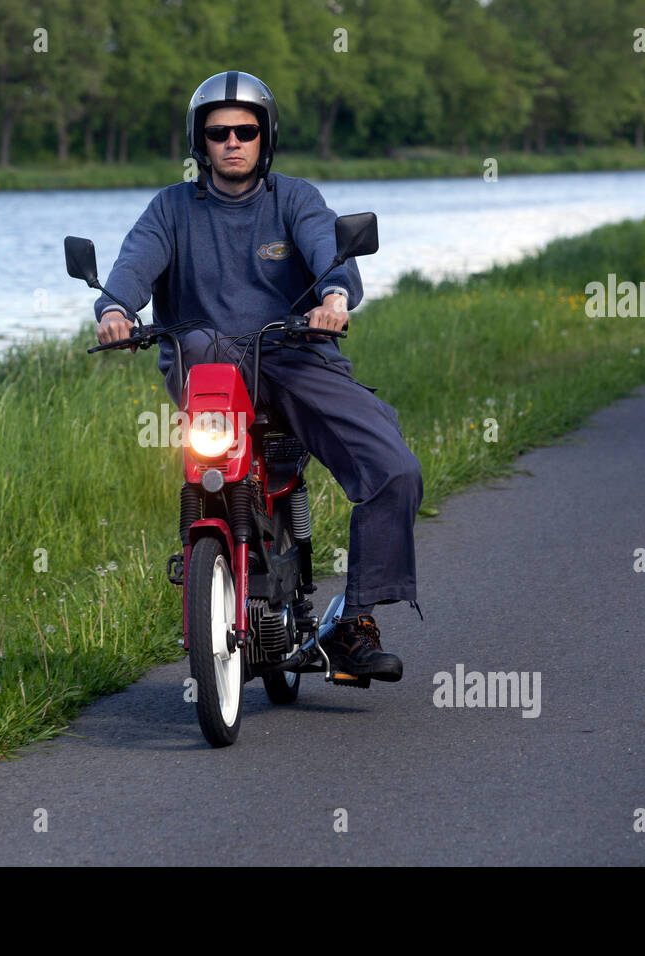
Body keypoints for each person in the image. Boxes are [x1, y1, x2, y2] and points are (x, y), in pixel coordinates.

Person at [94, 70, 423, 683]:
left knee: (394, 467)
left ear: (264, 136)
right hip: (209, 364)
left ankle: (355, 623)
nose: (232, 142)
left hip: (294, 353)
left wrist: (334, 295)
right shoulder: (171, 207)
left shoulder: (293, 198)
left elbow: (328, 247)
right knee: (205, 451)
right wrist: (115, 309)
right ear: (201, 142)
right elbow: (134, 262)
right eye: (218, 133)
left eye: (245, 130)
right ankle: (211, 559)